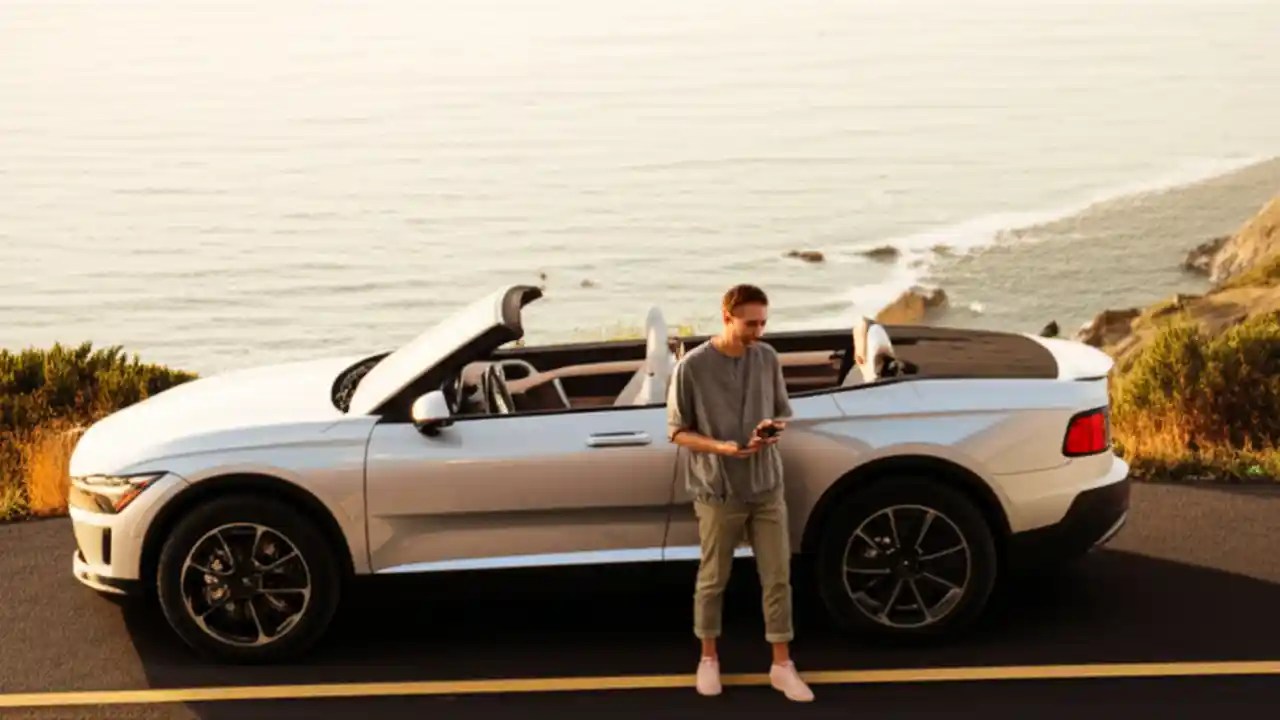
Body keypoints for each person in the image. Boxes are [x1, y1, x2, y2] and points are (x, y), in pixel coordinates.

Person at [665, 283, 815, 702]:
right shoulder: (692, 368)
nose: (759, 332)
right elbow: (677, 432)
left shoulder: (766, 357)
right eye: (752, 323)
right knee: (714, 578)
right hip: (718, 489)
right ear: (727, 316)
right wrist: (724, 447)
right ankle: (708, 659)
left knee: (777, 578)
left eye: (764, 323)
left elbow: (782, 412)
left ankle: (782, 665)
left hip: (767, 484)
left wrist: (769, 433)